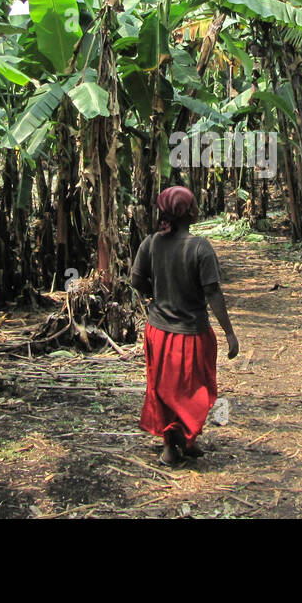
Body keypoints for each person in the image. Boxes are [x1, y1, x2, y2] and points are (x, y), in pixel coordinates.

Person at [130, 186, 240, 465]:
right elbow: (213, 292)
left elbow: (136, 280)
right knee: (193, 391)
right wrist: (229, 333)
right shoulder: (200, 247)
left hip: (159, 330)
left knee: (165, 389)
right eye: (192, 205)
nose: (196, 208)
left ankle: (184, 441)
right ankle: (172, 445)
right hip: (191, 333)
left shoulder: (151, 243)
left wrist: (157, 294)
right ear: (186, 213)